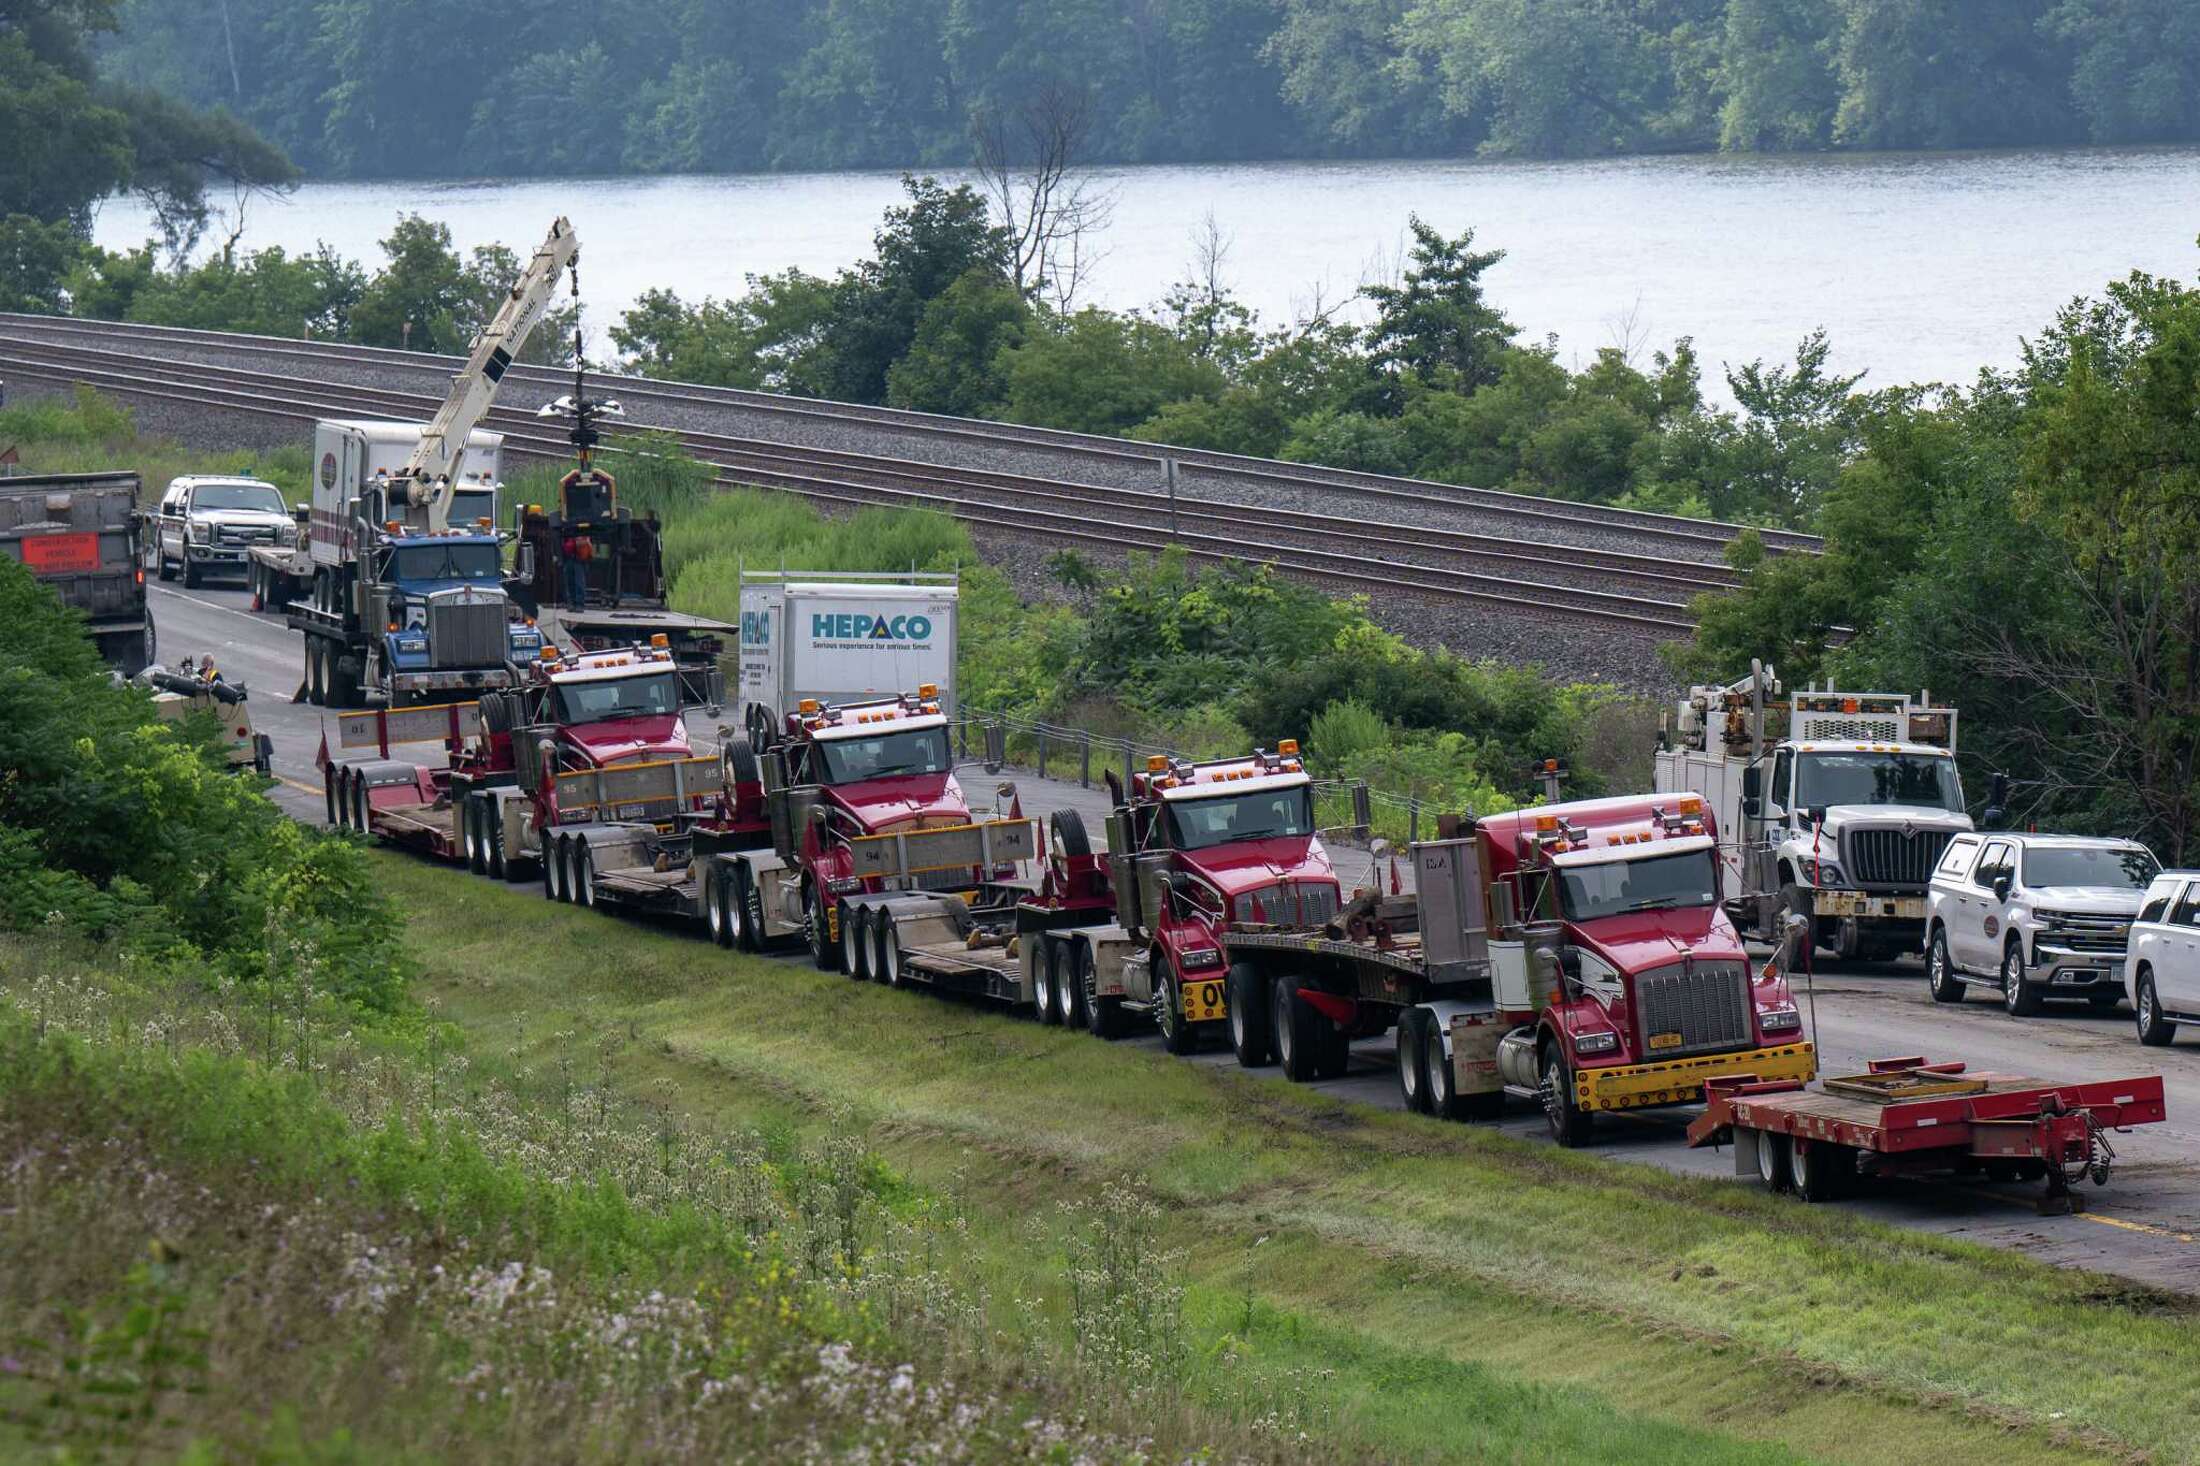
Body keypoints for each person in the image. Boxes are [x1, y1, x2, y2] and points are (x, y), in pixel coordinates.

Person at [560, 530, 593, 610]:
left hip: (578, 559)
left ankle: (578, 604)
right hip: (571, 558)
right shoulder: (569, 533)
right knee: (571, 582)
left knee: (579, 582)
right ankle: (573, 603)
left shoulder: (583, 534)